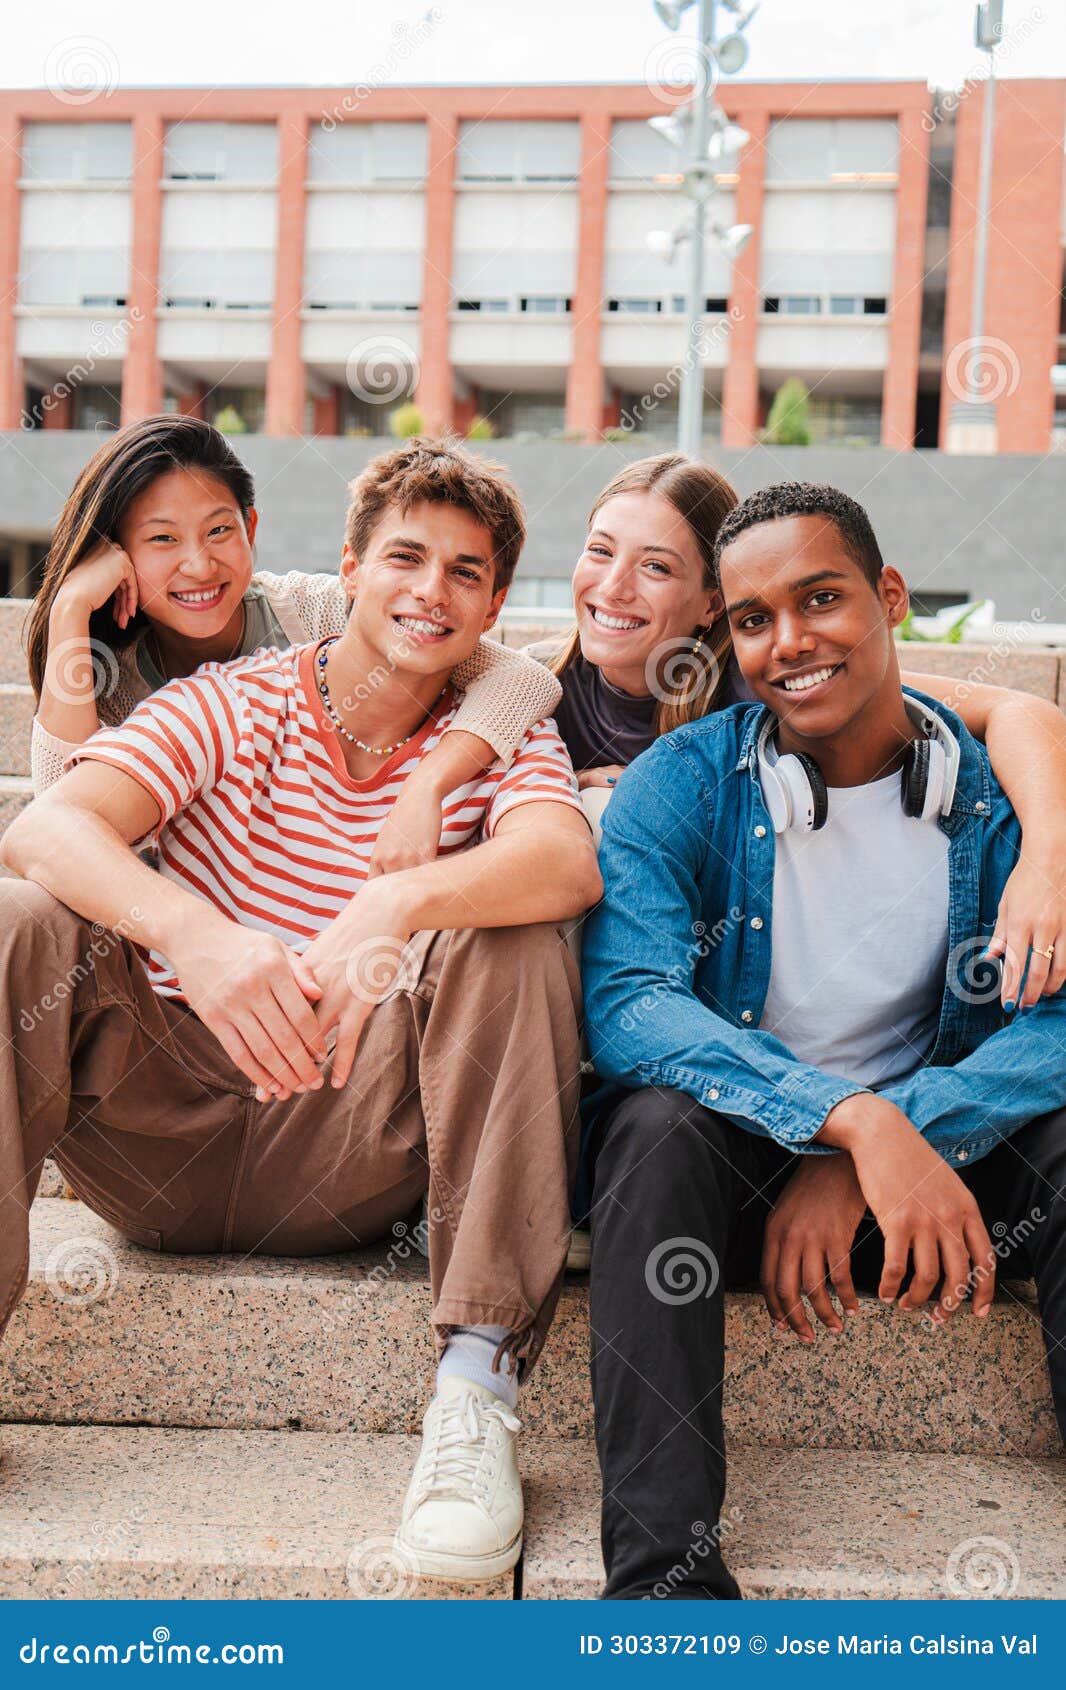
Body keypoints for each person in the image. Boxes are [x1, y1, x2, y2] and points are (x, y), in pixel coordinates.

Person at [1, 437, 602, 1584]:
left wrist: (401, 898)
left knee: (514, 932)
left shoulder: (505, 737)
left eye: (465, 573)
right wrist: (194, 934)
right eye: (407, 558)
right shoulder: (235, 696)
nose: (431, 590)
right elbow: (45, 827)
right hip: (158, 1118)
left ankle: (474, 1395)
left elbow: (565, 863)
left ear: (489, 608)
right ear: (347, 569)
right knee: (18, 915)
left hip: (350, 1137)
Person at [581, 481, 1066, 1601]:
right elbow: (632, 1005)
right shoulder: (683, 784)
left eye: (820, 599)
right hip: (741, 1182)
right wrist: (840, 1121)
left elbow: (1054, 1024)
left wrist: (897, 1139)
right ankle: (666, 1597)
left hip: (940, 1185)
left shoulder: (1000, 804)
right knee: (651, 1132)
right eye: (752, 619)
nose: (786, 642)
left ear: (888, 596)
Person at [26, 414, 564, 877]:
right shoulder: (108, 668)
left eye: (219, 531)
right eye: (163, 538)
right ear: (116, 552)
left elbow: (525, 678)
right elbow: (57, 817)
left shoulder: (314, 609)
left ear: (250, 527)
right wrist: (70, 608)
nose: (199, 564)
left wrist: (425, 784)